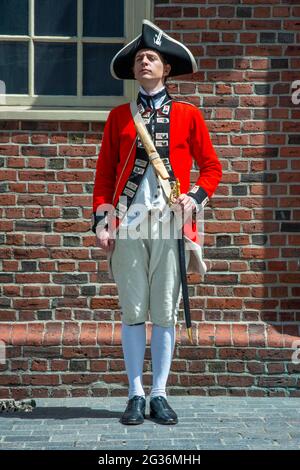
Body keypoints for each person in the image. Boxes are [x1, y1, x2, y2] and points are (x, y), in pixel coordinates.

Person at [92, 19, 222, 425]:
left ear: (166, 69)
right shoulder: (118, 117)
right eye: (139, 59)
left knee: (164, 312)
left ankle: (160, 393)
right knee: (132, 310)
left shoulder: (188, 114)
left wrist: (195, 198)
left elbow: (212, 168)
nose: (143, 62)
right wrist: (101, 220)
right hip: (128, 224)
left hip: (169, 225)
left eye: (151, 58)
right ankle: (135, 392)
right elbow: (103, 175)